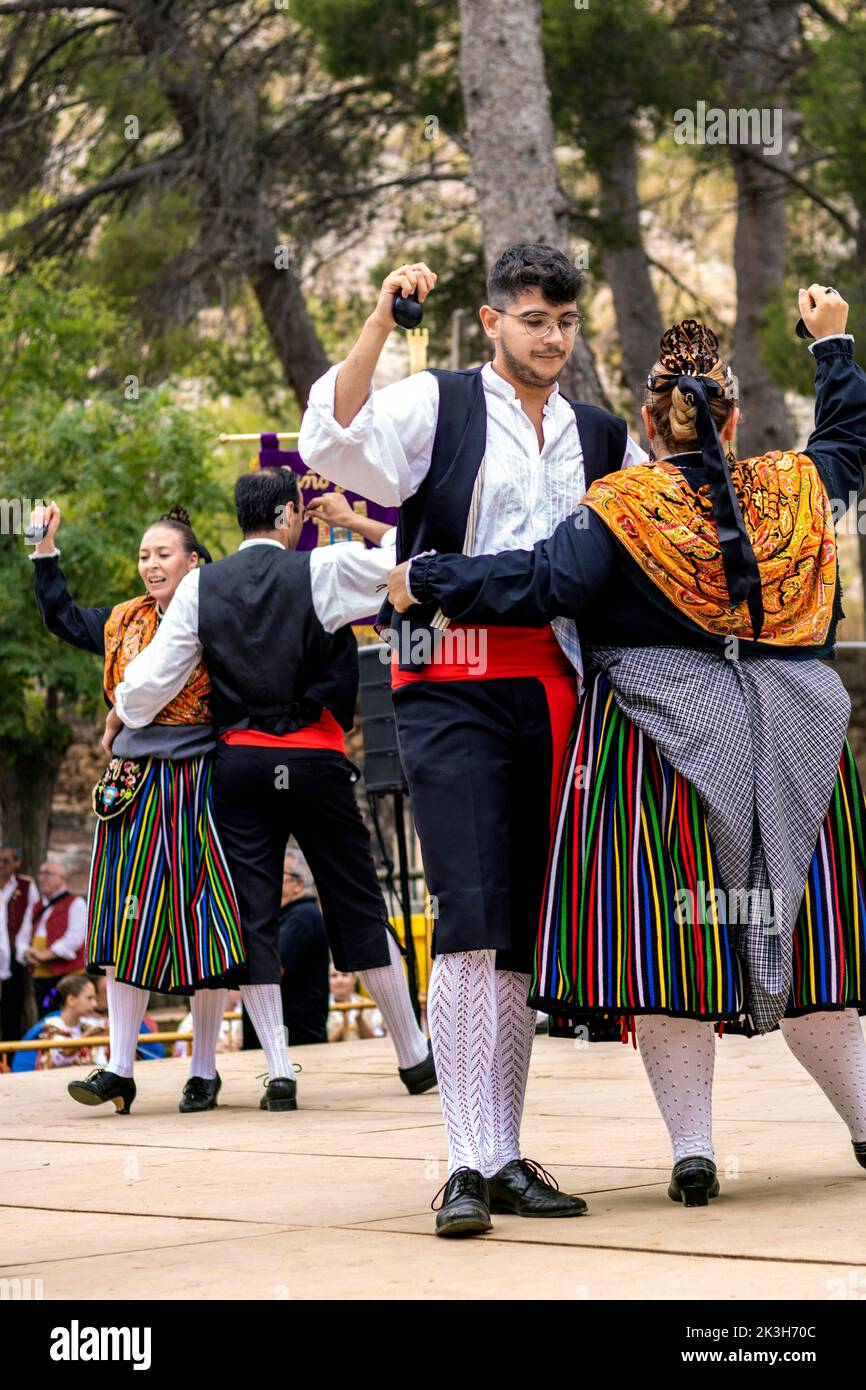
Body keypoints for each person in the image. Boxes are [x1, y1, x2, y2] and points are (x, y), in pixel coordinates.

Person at [388, 284, 866, 1210]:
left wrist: (431, 576)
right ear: (728, 418)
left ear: (651, 421)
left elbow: (540, 581)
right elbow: (848, 445)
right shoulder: (797, 486)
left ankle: (693, 1152)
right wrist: (834, 347)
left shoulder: (624, 503)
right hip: (802, 738)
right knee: (809, 942)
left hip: (668, 744)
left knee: (677, 946)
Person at [299, 244, 646, 1235]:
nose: (552, 337)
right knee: (465, 908)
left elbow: (646, 537)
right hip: (443, 678)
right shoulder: (436, 404)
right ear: (491, 320)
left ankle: (500, 1154)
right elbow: (329, 441)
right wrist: (377, 321)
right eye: (533, 319)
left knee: (516, 927)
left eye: (565, 321)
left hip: (551, 687)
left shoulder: (600, 433)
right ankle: (459, 1159)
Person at [109, 468, 435, 1112]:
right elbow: (410, 558)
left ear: (239, 519)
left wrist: (122, 708)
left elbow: (152, 681)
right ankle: (414, 1056)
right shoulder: (320, 569)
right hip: (314, 760)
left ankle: (280, 1071)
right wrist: (355, 523)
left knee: (253, 911)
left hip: (243, 765)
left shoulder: (202, 585)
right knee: (356, 901)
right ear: (289, 516)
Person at [29, 502, 246, 1116]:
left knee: (203, 923)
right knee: (129, 923)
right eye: (145, 555)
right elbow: (66, 619)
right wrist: (45, 552)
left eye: (164, 553)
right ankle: (119, 1067)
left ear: (194, 560)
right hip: (131, 785)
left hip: (200, 781)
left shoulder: (220, 617)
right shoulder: (124, 619)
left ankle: (203, 1071)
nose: (151, 564)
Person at [16, 860, 86, 1017]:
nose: (42, 878)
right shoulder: (36, 906)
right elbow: (22, 938)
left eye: (48, 873)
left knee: (65, 1014)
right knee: (46, 1013)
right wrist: (27, 954)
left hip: (67, 977)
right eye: (40, 873)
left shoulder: (76, 903)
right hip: (41, 978)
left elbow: (75, 938)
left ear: (62, 877)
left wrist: (45, 954)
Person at [278, 850, 330, 1046]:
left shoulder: (302, 916)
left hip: (297, 1038)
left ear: (298, 884)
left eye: (278, 872)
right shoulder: (287, 915)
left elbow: (273, 969)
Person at [0, 845, 38, 1040]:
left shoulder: (25, 886)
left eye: (5, 860)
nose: (1, 864)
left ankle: (9, 1057)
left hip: (14, 956)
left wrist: (23, 948)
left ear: (16, 863)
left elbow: (33, 917)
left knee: (11, 1010)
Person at [36, 975, 105, 1070]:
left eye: (95, 999)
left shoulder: (86, 1025)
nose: (95, 1004)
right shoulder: (50, 1026)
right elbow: (65, 1052)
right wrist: (89, 1035)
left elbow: (99, 1060)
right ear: (71, 1000)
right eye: (89, 998)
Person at [328, 962, 385, 1041]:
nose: (339, 980)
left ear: (354, 978)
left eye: (344, 975)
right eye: (334, 976)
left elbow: (379, 1043)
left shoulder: (369, 1005)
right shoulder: (319, 1008)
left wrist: (359, 1019)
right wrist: (344, 1025)